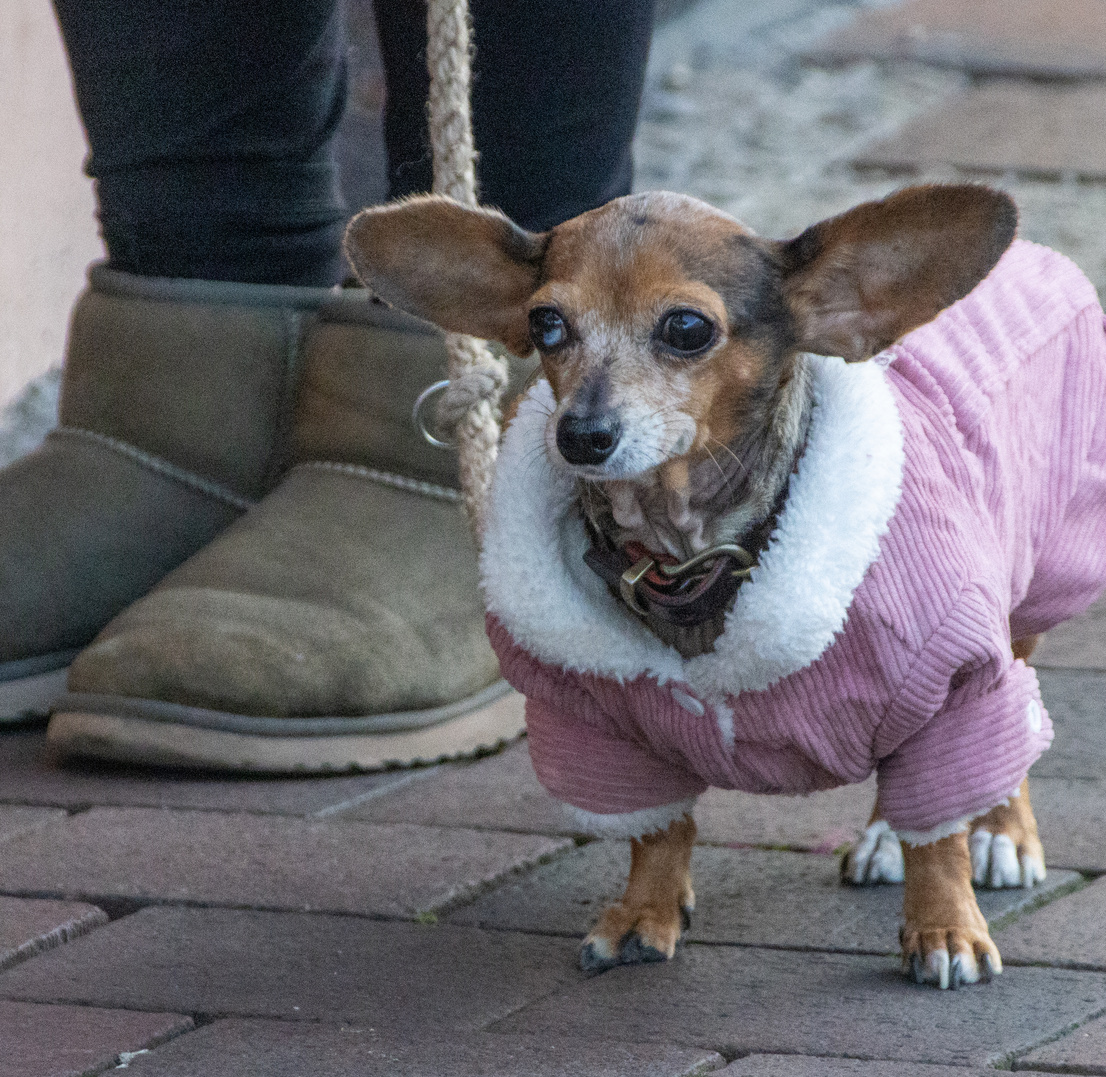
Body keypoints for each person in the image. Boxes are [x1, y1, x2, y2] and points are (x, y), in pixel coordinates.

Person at [0, 0, 656, 771]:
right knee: (199, 229)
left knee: (509, 208)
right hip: (165, 373)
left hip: (474, 408)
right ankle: (186, 431)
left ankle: (459, 472)